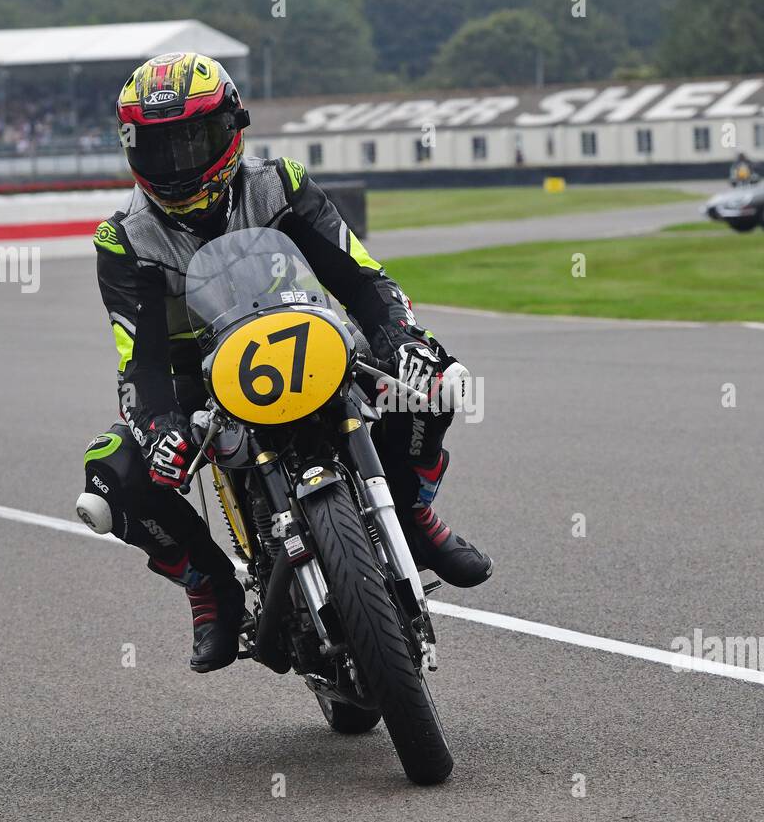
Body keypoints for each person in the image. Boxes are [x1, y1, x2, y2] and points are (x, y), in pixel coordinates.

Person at [78, 53, 492, 673]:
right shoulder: (124, 239)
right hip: (203, 382)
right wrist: (160, 428)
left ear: (234, 125)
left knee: (428, 383)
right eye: (159, 147)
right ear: (131, 148)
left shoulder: (284, 184)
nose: (178, 162)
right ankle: (211, 587)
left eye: (195, 139)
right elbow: (137, 362)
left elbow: (360, 278)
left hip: (311, 339)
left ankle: (411, 513)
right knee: (112, 475)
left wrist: (404, 338)